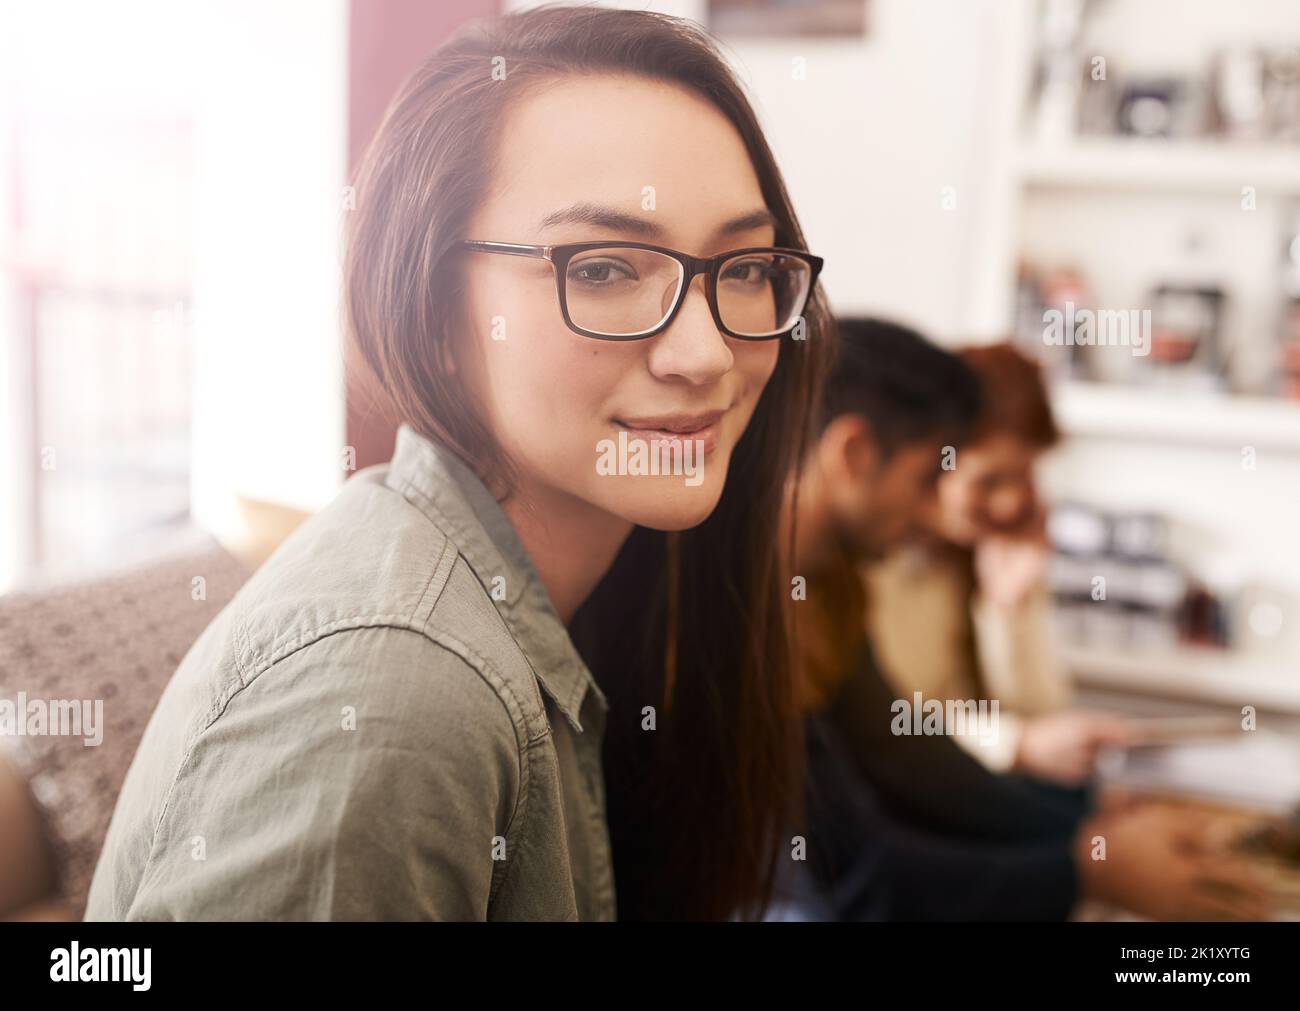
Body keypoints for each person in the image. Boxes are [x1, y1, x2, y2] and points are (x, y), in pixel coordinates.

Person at [85, 6, 833, 921]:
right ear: (433, 311)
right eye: (603, 268)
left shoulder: (596, 599)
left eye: (746, 266)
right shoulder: (395, 693)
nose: (707, 353)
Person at [771, 317, 1272, 921]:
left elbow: (912, 759)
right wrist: (1084, 867)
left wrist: (1090, 831)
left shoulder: (832, 583)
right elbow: (853, 875)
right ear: (853, 454)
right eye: (932, 475)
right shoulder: (749, 601)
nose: (934, 501)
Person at [867, 342, 1132, 785]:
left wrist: (1008, 608)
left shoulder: (988, 553)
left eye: (1023, 478)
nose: (1010, 502)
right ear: (930, 460)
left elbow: (1042, 716)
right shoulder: (872, 559)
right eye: (988, 481)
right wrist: (1015, 745)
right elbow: (877, 729)